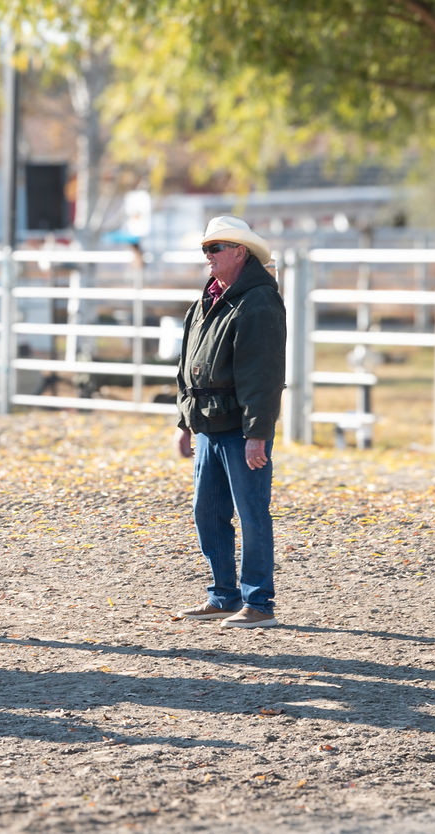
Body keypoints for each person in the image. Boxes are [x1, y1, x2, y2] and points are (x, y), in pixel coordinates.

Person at [174, 215, 286, 629]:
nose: (208, 256)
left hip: (239, 430)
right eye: (206, 249)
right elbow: (187, 365)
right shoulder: (208, 301)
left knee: (252, 512)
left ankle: (258, 603)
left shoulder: (258, 301)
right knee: (208, 512)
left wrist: (257, 433)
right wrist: (184, 423)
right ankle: (223, 595)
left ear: (240, 252)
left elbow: (264, 375)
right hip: (208, 427)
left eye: (215, 248)